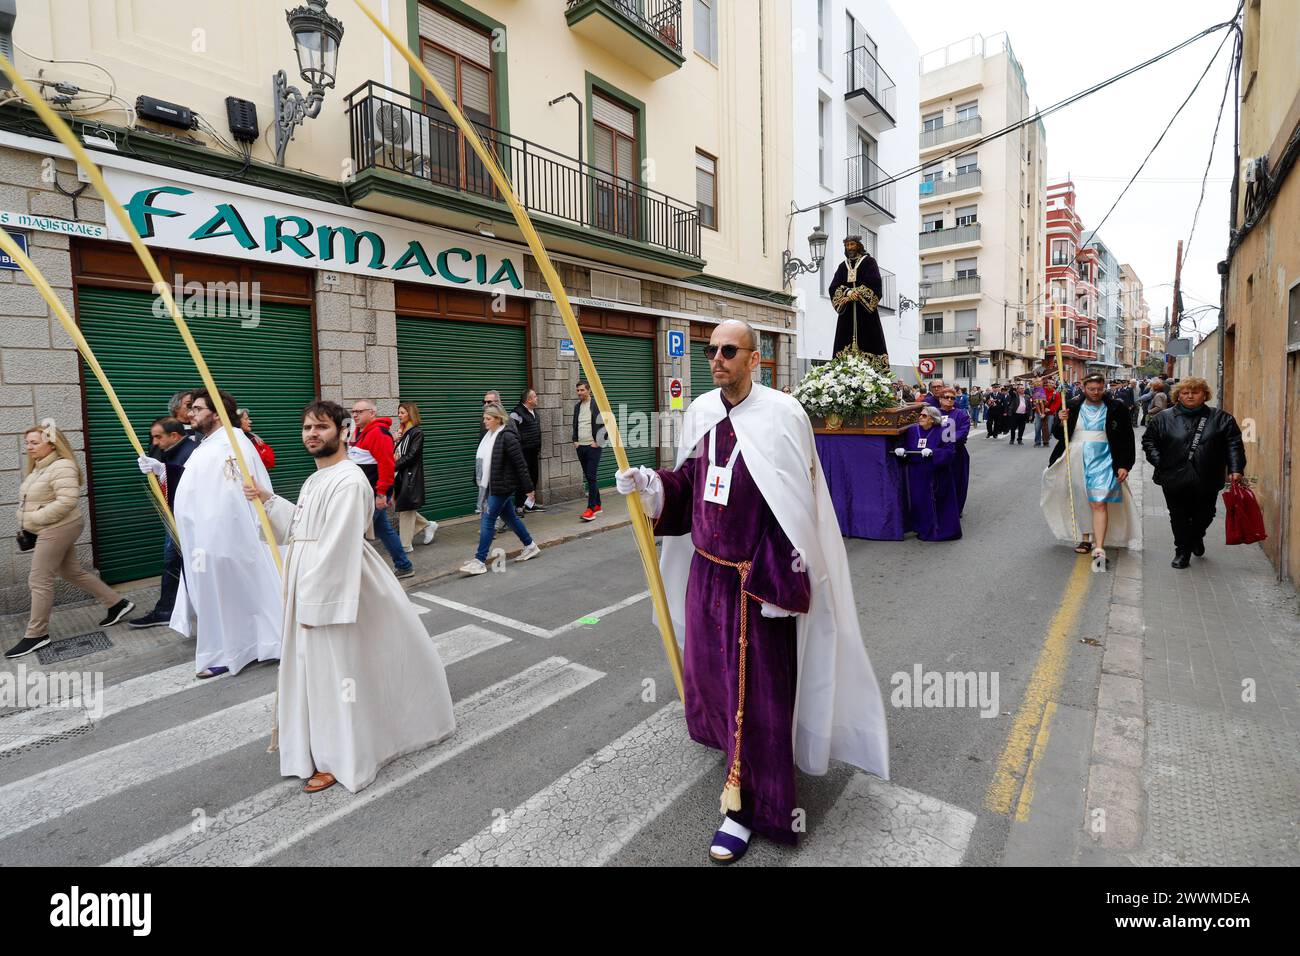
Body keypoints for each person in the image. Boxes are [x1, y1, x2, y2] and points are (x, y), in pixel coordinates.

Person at [616, 319, 888, 863]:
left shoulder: (784, 416)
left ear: (754, 358)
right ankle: (731, 760)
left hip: (755, 586)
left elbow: (796, 512)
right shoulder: (700, 412)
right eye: (710, 350)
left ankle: (751, 809)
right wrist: (652, 486)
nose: (715, 359)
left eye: (728, 350)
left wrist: (778, 583)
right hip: (707, 577)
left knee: (758, 703)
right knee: (715, 685)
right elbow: (689, 485)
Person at [243, 400, 455, 794]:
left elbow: (337, 545)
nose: (311, 434)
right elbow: (302, 528)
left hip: (333, 586)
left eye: (321, 427)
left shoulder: (349, 479)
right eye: (306, 427)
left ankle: (340, 758)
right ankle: (320, 749)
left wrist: (315, 604)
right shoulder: (315, 479)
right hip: (311, 584)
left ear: (342, 431)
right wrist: (268, 500)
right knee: (318, 672)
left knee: (336, 675)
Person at [170, 387, 283, 678]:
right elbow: (199, 483)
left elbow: (234, 495)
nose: (190, 413)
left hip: (225, 540)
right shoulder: (208, 443)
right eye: (191, 409)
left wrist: (216, 538)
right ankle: (243, 646)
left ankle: (231, 650)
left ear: (217, 413)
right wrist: (160, 470)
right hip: (206, 540)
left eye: (197, 408)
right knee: (227, 597)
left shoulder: (233, 444)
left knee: (232, 596)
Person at [5, 425, 134, 659]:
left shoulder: (62, 466)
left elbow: (67, 501)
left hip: (58, 527)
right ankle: (117, 603)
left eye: (34, 442)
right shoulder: (39, 468)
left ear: (52, 444)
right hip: (49, 527)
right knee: (71, 571)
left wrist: (34, 519)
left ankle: (37, 635)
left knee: (39, 578)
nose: (29, 447)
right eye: (27, 443)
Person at [1141, 377, 1245, 569]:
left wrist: (1236, 468)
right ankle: (1182, 551)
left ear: (1204, 395)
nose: (1190, 396)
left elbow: (1234, 445)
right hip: (1173, 475)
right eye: (1185, 392)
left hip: (1207, 475)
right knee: (1178, 515)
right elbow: (1149, 441)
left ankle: (1196, 536)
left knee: (1205, 514)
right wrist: (1160, 461)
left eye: (1195, 392)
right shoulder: (1163, 418)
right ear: (1178, 395)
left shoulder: (1222, 418)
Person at [1041, 373, 1140, 565]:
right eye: (1091, 389)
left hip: (1104, 457)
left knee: (1099, 500)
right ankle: (1085, 538)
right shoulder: (1071, 405)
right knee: (1081, 499)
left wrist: (1124, 465)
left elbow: (1126, 438)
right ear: (1083, 388)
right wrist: (1061, 419)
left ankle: (1099, 546)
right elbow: (1060, 435)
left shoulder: (1116, 407)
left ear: (1104, 388)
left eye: (1099, 389)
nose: (1096, 393)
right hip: (1076, 456)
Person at [128, 417, 197, 628]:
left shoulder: (191, 451)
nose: (155, 442)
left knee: (175, 563)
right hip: (176, 516)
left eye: (158, 437)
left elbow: (190, 482)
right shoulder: (173, 449)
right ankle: (170, 608)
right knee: (175, 563)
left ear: (174, 436)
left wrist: (163, 470)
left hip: (187, 519)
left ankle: (167, 609)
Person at [460, 404, 540, 575]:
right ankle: (531, 546)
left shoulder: (507, 437)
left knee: (488, 520)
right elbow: (483, 462)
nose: (484, 422)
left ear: (498, 419)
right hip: (492, 485)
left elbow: (520, 464)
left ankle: (480, 561)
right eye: (484, 418)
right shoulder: (489, 436)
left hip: (502, 486)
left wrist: (528, 488)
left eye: (488, 419)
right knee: (510, 518)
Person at [347, 399, 413, 579]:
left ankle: (353, 575)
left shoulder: (379, 434)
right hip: (363, 494)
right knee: (383, 529)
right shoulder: (360, 433)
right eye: (353, 412)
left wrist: (382, 493)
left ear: (372, 413)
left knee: (353, 534)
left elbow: (387, 465)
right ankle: (404, 565)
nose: (355, 415)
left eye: (359, 412)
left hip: (373, 495)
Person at [895, 406, 962, 541]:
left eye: (924, 416)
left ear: (932, 419)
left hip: (936, 473)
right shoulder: (913, 430)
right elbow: (907, 446)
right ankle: (921, 527)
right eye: (920, 415)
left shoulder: (944, 431)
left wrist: (934, 453)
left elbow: (950, 452)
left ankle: (936, 529)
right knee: (919, 501)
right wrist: (902, 451)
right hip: (917, 472)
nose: (920, 417)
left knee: (935, 502)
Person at [829, 236, 887, 358]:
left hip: (865, 313)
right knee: (844, 341)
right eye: (847, 245)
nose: (849, 247)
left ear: (858, 246)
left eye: (852, 244)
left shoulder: (869, 262)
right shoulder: (842, 266)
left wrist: (858, 293)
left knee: (870, 340)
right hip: (847, 314)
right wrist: (848, 293)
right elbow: (833, 287)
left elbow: (874, 282)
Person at [393, 400, 436, 553]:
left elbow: (411, 456)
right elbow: (396, 453)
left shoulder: (417, 432)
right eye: (399, 412)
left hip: (410, 476)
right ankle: (427, 524)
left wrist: (392, 465)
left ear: (410, 414)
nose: (399, 415)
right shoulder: (403, 432)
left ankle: (405, 544)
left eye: (402, 413)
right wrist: (396, 440)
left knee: (405, 509)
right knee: (404, 507)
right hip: (400, 475)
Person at [572, 380, 605, 522]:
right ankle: (597, 504)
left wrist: (598, 442)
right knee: (589, 477)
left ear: (589, 390)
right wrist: (575, 441)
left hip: (593, 447)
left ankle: (591, 509)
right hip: (581, 446)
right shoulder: (577, 407)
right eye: (578, 390)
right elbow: (575, 424)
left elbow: (606, 424)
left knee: (591, 477)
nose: (579, 393)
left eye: (582, 390)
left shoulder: (596, 405)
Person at [937, 387, 972, 515]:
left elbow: (963, 432)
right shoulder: (934, 414)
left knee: (958, 481)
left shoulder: (961, 414)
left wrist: (944, 441)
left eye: (953, 398)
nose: (950, 400)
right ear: (940, 399)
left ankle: (957, 509)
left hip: (957, 454)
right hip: (938, 454)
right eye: (947, 397)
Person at [510, 388, 545, 515]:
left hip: (533, 451)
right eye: (535, 396)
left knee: (533, 478)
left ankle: (529, 504)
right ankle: (518, 506)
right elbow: (512, 434)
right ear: (529, 399)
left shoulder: (534, 412)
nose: (537, 398)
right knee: (522, 479)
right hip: (522, 453)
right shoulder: (516, 413)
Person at [476, 390, 501, 516]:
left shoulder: (506, 422)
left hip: (498, 468)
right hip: (485, 465)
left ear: (498, 402)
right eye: (484, 402)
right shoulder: (484, 419)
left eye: (489, 402)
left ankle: (492, 525)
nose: (485, 404)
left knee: (495, 498)